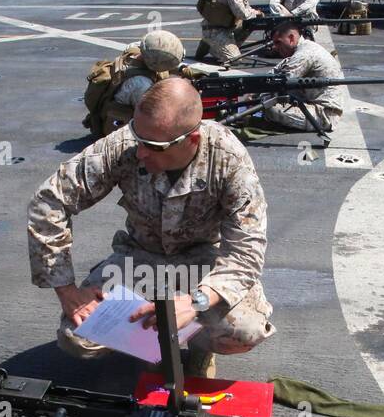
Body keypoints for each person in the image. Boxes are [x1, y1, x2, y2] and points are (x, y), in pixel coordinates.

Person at [28, 78, 275, 379]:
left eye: (153, 147)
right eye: (137, 137)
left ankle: (198, 351)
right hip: (140, 258)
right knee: (78, 337)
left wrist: (195, 302)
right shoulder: (128, 144)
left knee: (244, 330)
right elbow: (49, 201)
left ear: (192, 140)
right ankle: (153, 346)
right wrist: (67, 291)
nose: (140, 152)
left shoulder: (228, 159)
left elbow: (246, 252)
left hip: (202, 265)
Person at [82, 29, 186, 138]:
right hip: (120, 126)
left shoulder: (135, 49)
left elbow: (156, 54)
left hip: (112, 104)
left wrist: (182, 70)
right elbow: (151, 115)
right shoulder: (141, 85)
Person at [260, 22, 345, 132]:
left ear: (291, 38)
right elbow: (275, 72)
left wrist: (260, 95)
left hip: (323, 115)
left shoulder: (304, 54)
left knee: (268, 108)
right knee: (266, 99)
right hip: (312, 102)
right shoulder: (303, 49)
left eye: (278, 42)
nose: (275, 47)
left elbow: (281, 82)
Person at [195, 0, 264, 64]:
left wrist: (255, 13)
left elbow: (246, 9)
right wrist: (257, 13)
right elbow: (243, 14)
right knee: (234, 59)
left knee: (250, 23)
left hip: (226, 27)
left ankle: (216, 44)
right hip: (214, 30)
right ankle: (210, 45)